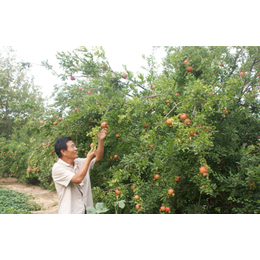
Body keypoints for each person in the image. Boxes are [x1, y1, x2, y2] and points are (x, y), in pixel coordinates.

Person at [52, 128, 108, 214]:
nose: (76, 149)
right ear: (63, 151)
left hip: (87, 211)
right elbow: (77, 179)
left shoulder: (79, 162)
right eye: (72, 146)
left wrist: (100, 140)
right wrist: (89, 158)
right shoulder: (58, 168)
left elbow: (98, 157)